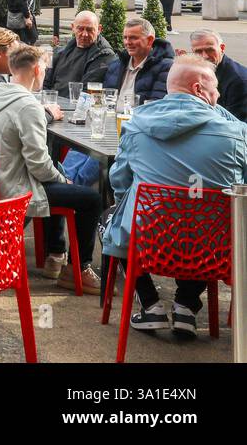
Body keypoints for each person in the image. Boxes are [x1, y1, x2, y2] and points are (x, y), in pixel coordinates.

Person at [103, 56, 247, 339]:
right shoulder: (236, 134)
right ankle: (186, 305)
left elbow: (119, 182)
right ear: (198, 89)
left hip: (150, 242)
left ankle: (150, 304)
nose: (218, 95)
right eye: (215, 88)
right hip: (214, 250)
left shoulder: (135, 126)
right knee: (205, 218)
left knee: (113, 217)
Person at [0, 43, 104, 293]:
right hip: (16, 188)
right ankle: (79, 268)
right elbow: (38, 165)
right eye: (44, 67)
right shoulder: (28, 105)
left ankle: (55, 257)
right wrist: (61, 180)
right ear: (36, 69)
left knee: (57, 178)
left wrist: (56, 177)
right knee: (90, 199)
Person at [43, 10, 117, 99]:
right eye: (80, 29)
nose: (84, 34)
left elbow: (86, 93)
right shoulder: (59, 52)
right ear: (73, 27)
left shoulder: (104, 55)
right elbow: (45, 83)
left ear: (99, 29)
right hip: (52, 105)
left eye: (90, 30)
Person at [102, 16, 174, 107]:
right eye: (125, 37)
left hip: (139, 120)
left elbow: (156, 107)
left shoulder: (165, 67)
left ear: (150, 40)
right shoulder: (116, 65)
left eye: (133, 38)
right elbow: (104, 99)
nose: (128, 42)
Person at [189, 28, 247, 121]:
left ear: (222, 48)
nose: (205, 56)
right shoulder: (195, 71)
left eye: (210, 50)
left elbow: (238, 125)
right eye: (198, 51)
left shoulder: (239, 80)